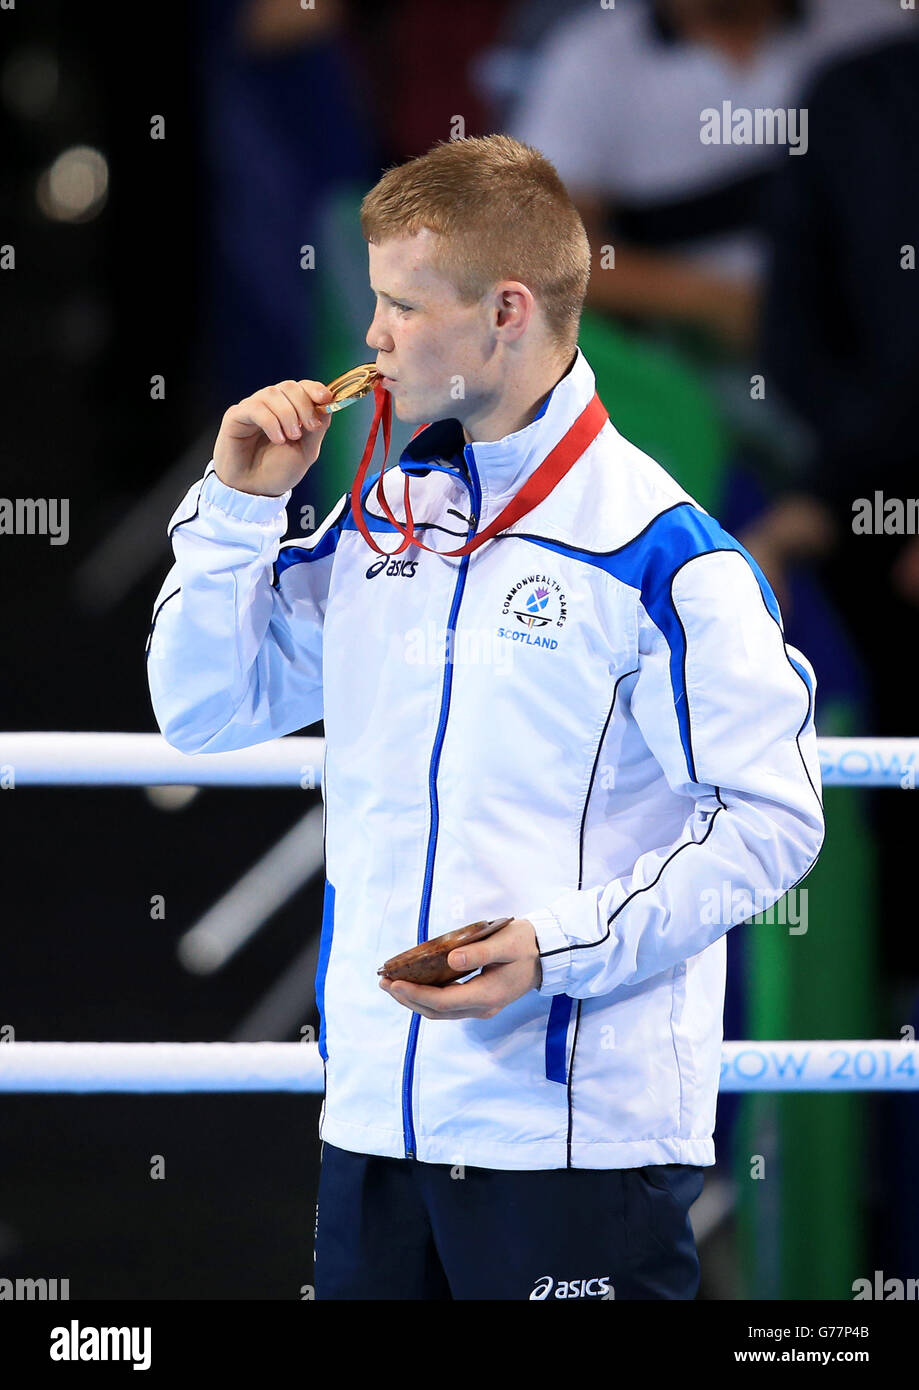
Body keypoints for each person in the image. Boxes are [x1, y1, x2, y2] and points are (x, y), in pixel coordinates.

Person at [146, 134, 825, 1301]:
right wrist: (238, 511)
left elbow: (773, 821)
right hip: (372, 1121)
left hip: (572, 1141)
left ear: (506, 310)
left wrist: (561, 945)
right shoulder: (382, 520)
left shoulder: (663, 556)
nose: (372, 337)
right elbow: (202, 709)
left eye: (402, 304)